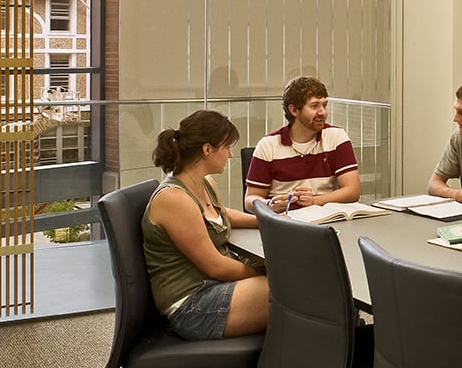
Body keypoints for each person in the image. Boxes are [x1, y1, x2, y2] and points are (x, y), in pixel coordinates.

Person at [143, 109, 267, 340]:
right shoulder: (174, 199)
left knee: (298, 283)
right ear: (207, 149)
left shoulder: (203, 183)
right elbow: (216, 267)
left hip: (212, 287)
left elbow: (220, 215)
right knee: (292, 289)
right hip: (192, 304)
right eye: (227, 147)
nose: (230, 155)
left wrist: (266, 221)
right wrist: (263, 270)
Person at [244, 76, 360, 213]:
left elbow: (352, 191)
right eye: (314, 106)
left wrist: (315, 201)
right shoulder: (268, 145)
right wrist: (268, 204)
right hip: (284, 222)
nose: (323, 112)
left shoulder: (337, 137)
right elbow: (250, 199)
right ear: (294, 110)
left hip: (326, 220)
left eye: (324, 105)